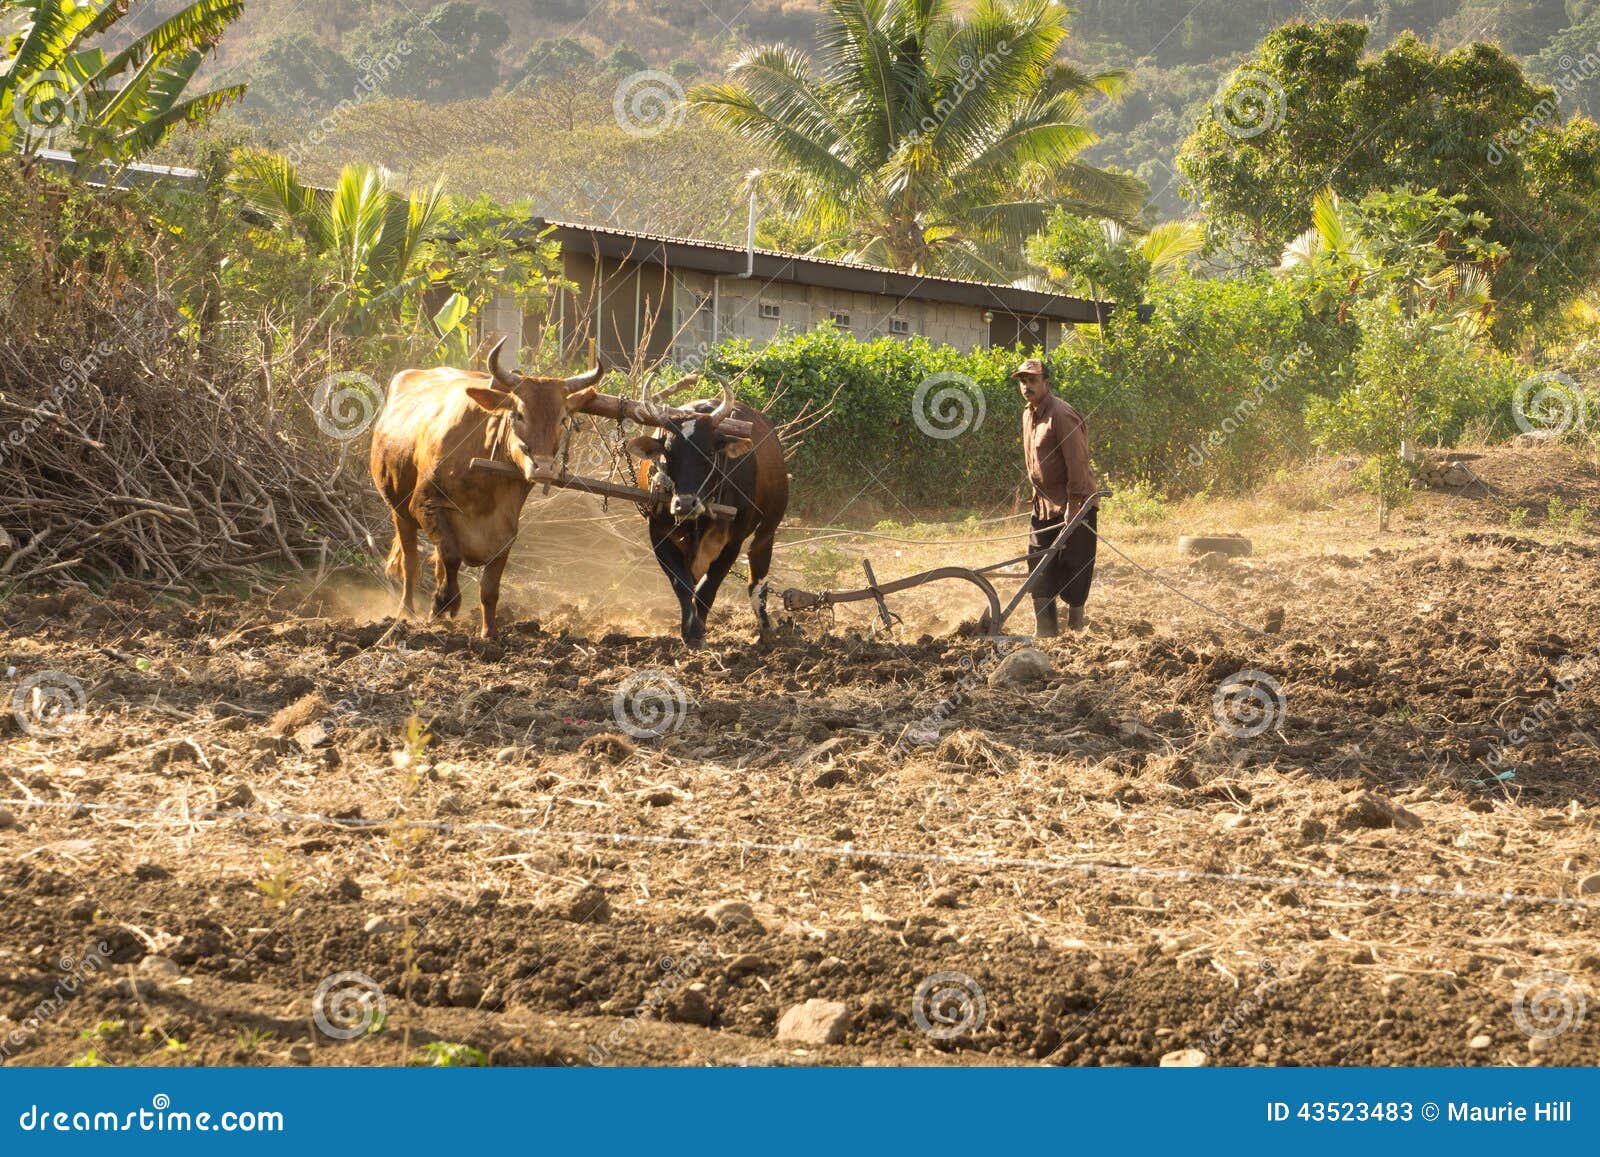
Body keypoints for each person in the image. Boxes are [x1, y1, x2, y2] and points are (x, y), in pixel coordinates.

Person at [1014, 357, 1098, 637]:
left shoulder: (1061, 414)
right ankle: (1046, 632)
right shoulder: (1028, 414)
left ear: (1046, 384)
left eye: (1033, 380)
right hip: (1043, 505)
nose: (1027, 386)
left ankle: (1076, 631)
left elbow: (1077, 461)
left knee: (1076, 565)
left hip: (1074, 504)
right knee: (1038, 565)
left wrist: (1075, 505)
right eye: (1023, 381)